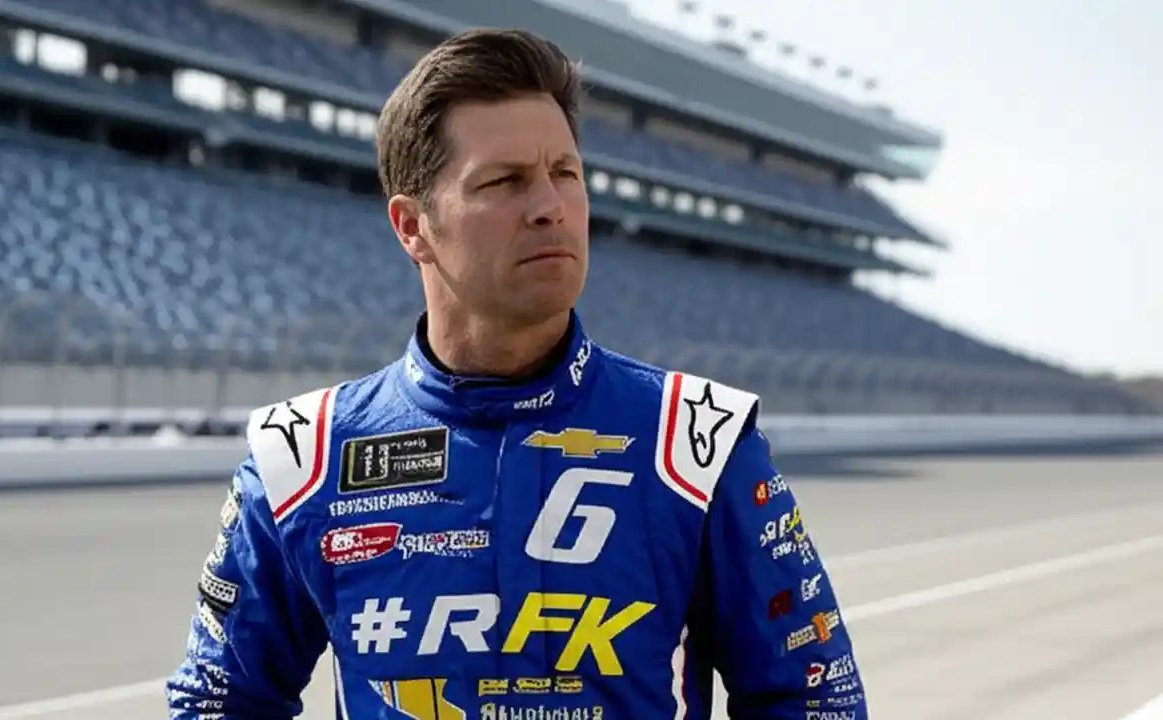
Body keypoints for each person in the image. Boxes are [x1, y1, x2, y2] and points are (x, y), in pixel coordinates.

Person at [166, 28, 867, 720]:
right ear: (412, 226)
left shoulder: (697, 440)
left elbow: (814, 698)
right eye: (505, 182)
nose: (550, 207)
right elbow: (218, 703)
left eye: (566, 174)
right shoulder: (304, 455)